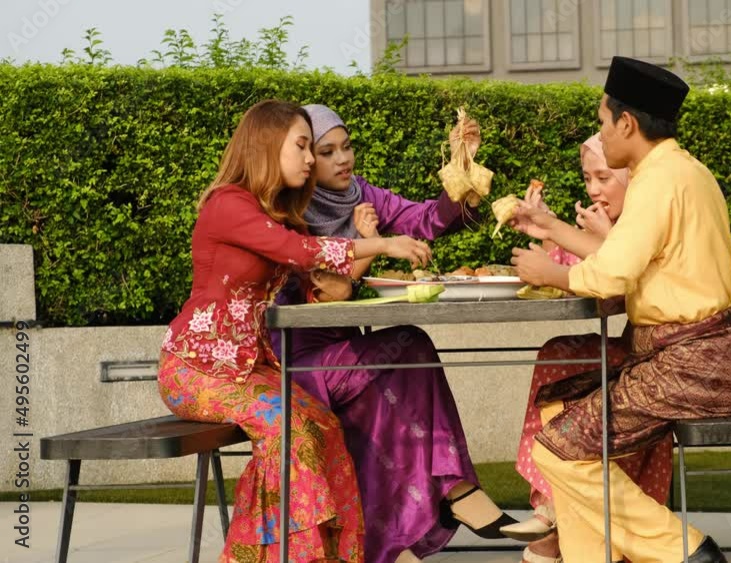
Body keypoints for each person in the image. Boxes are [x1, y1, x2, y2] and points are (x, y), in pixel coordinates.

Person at [157, 99, 432, 562]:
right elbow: (300, 251)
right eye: (302, 147)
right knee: (290, 433)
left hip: (250, 370)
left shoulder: (273, 213)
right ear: (266, 146)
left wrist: (339, 283)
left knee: (323, 425)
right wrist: (381, 242)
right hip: (195, 369)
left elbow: (310, 281)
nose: (311, 159)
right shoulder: (228, 204)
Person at [509, 57, 731, 563]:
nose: (601, 131)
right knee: (558, 411)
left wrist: (547, 272)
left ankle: (686, 550)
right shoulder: (679, 170)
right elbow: (619, 256)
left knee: (555, 448)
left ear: (627, 123)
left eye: (603, 121)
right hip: (690, 359)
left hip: (689, 367)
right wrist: (551, 228)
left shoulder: (658, 180)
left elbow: (610, 276)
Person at [270, 104, 518, 563]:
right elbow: (325, 292)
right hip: (302, 363)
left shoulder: (360, 195)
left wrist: (463, 167)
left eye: (346, 147)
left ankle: (390, 543)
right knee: (411, 345)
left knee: (397, 380)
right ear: (306, 159)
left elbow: (425, 221)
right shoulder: (287, 211)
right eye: (326, 152)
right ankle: (454, 491)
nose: (342, 159)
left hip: (345, 352)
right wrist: (368, 244)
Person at [499, 133, 672, 563]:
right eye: (587, 177)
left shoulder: (644, 219)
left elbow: (615, 289)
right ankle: (554, 507)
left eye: (603, 178)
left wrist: (606, 238)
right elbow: (568, 273)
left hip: (661, 359)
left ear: (635, 177)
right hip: (640, 349)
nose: (593, 189)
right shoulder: (611, 222)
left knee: (569, 358)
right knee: (561, 350)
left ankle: (557, 512)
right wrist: (550, 238)